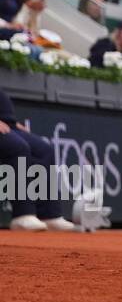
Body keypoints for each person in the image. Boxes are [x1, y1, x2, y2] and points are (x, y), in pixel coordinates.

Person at [0, 90, 78, 231]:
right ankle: (22, 215)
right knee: (17, 147)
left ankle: (49, 215)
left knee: (43, 150)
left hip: (6, 123)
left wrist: (10, 121)